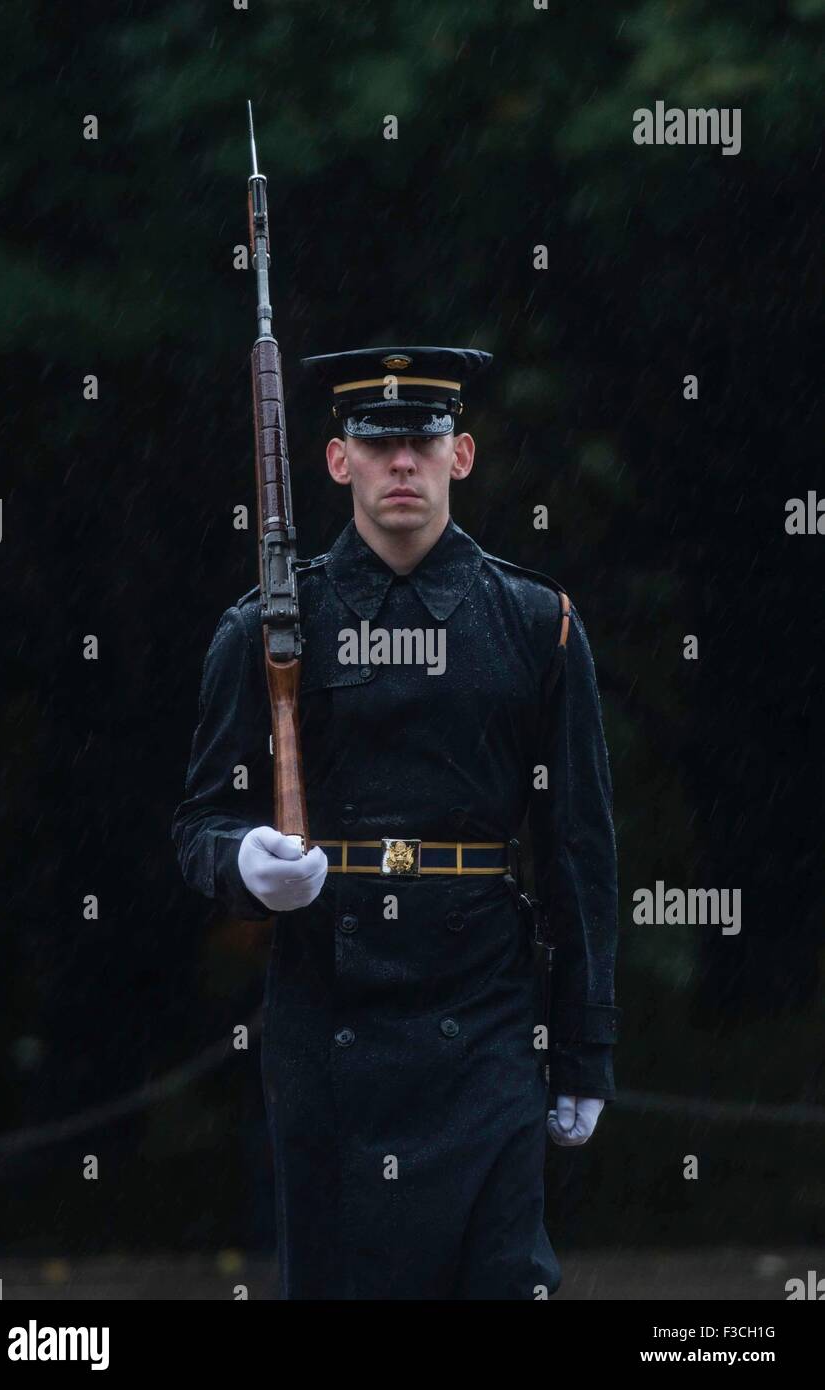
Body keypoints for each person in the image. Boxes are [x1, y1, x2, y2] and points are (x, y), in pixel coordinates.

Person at [172, 345, 621, 1299]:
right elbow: (200, 821)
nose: (402, 464)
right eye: (378, 446)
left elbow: (578, 848)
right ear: (339, 464)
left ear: (462, 454)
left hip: (487, 1013)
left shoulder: (536, 623)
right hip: (331, 1010)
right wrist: (242, 863)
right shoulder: (263, 629)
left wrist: (584, 1044)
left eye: (422, 441)